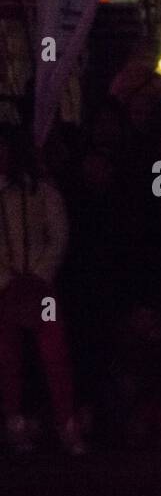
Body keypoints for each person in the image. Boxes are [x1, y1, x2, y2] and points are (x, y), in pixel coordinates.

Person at [0, 125, 84, 454]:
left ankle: (66, 422)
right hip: (6, 289)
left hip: (40, 288)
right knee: (8, 357)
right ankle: (16, 422)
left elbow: (58, 234)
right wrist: (6, 279)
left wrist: (39, 274)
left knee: (55, 353)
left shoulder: (41, 190)